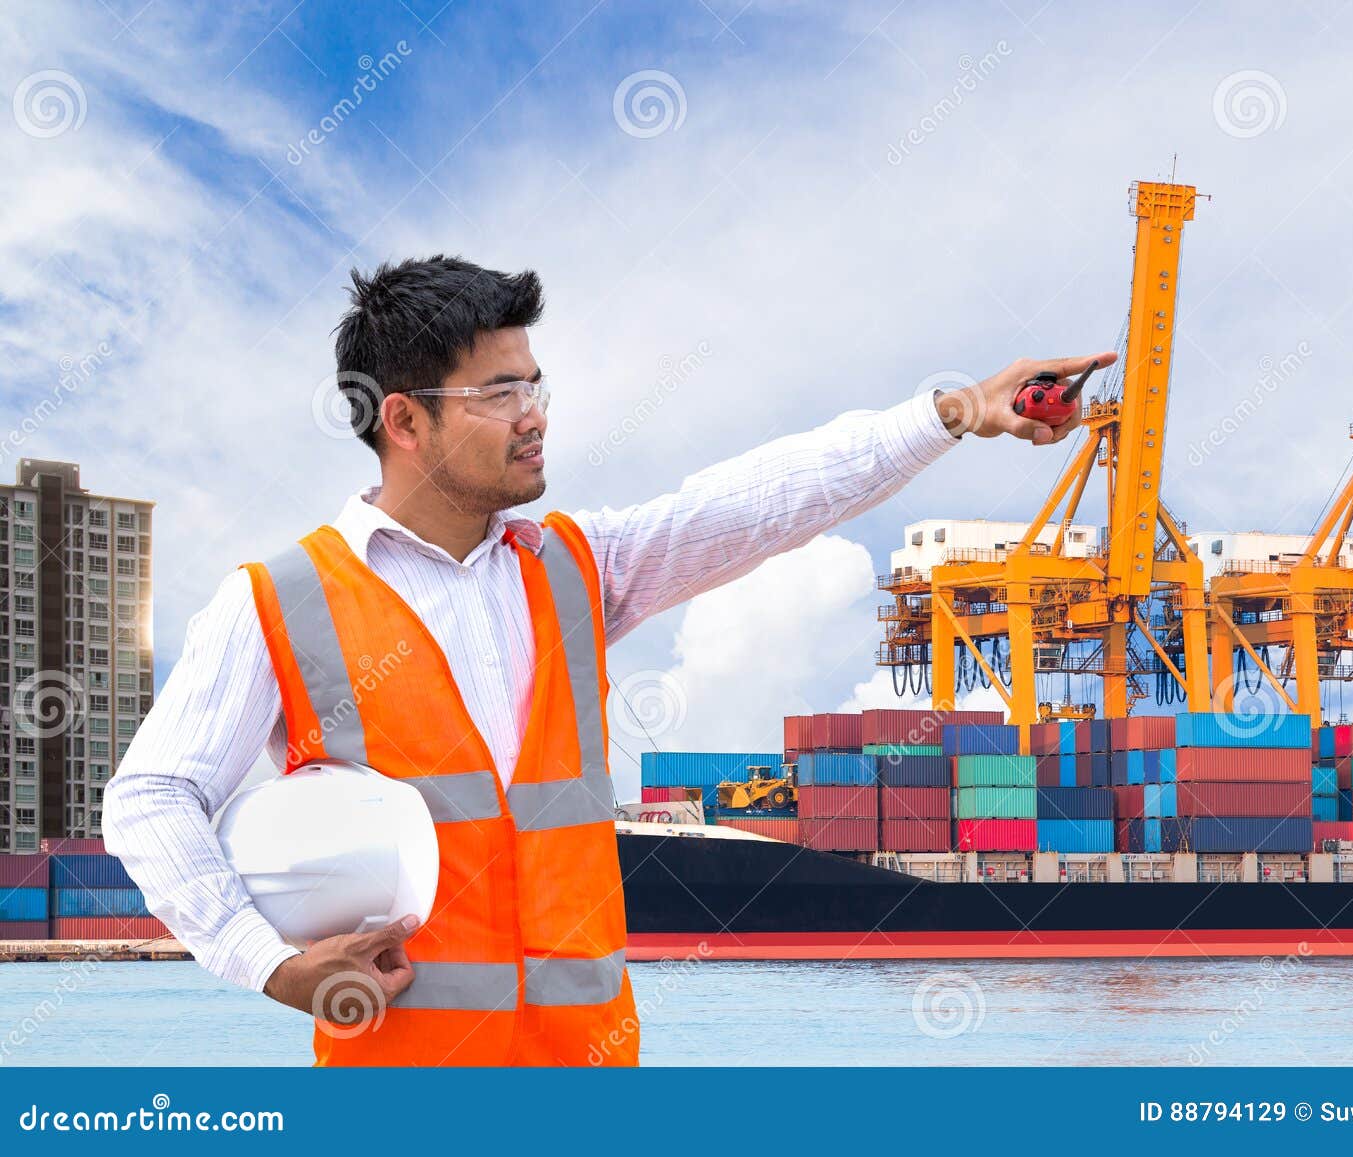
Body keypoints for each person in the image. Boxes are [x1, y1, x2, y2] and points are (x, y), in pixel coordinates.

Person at [103, 255, 1113, 1066]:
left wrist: (949, 413)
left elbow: (756, 500)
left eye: (534, 384)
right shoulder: (279, 600)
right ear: (404, 419)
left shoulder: (576, 570)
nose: (536, 412)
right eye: (500, 391)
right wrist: (265, 962)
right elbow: (152, 793)